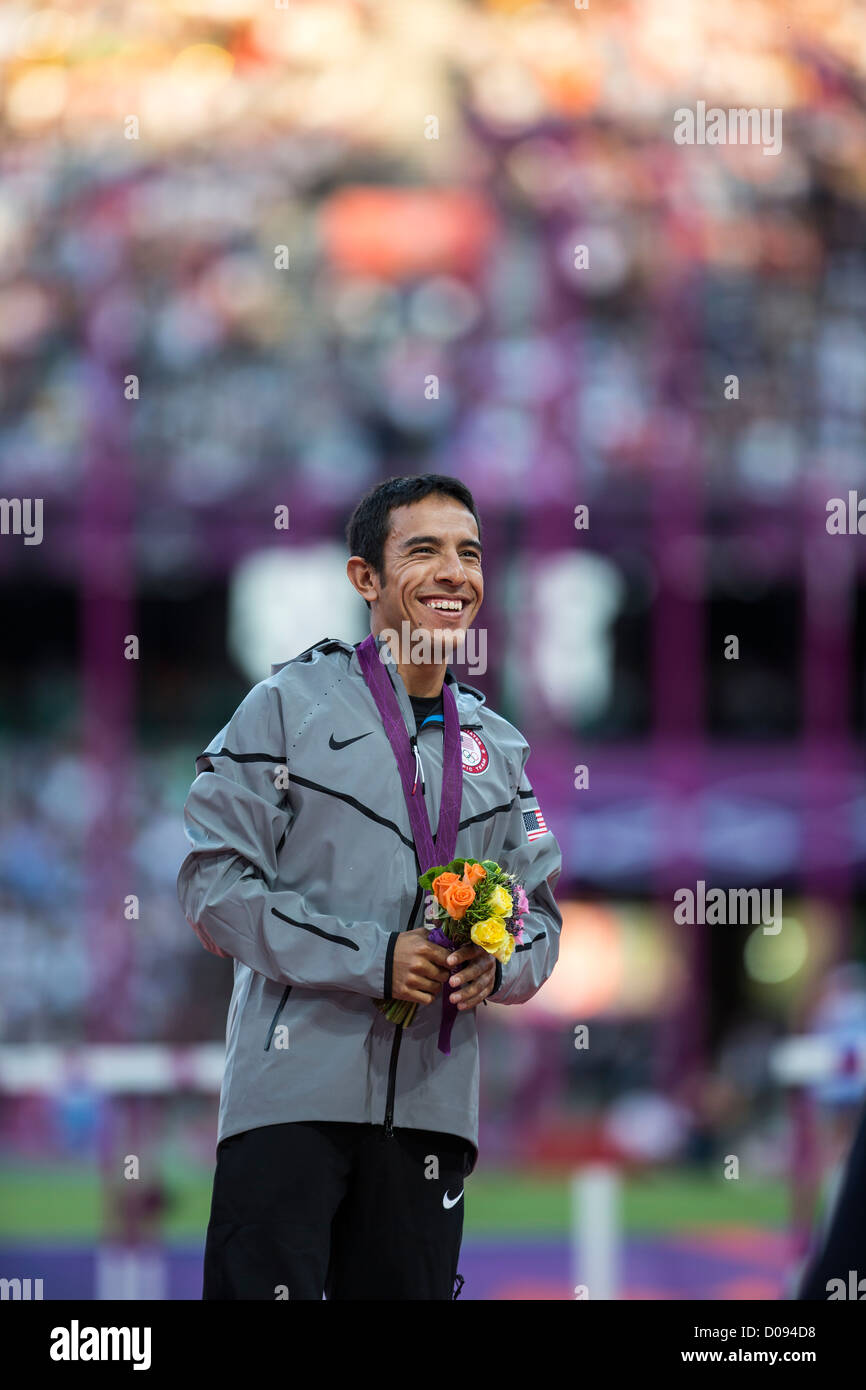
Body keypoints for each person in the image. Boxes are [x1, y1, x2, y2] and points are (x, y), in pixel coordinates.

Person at [177, 473, 563, 1299]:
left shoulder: (501, 748)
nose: (454, 573)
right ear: (366, 580)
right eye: (422, 550)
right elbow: (215, 889)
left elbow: (542, 919)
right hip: (289, 1102)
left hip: (432, 1115)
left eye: (469, 553)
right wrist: (376, 958)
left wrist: (497, 964)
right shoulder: (286, 707)